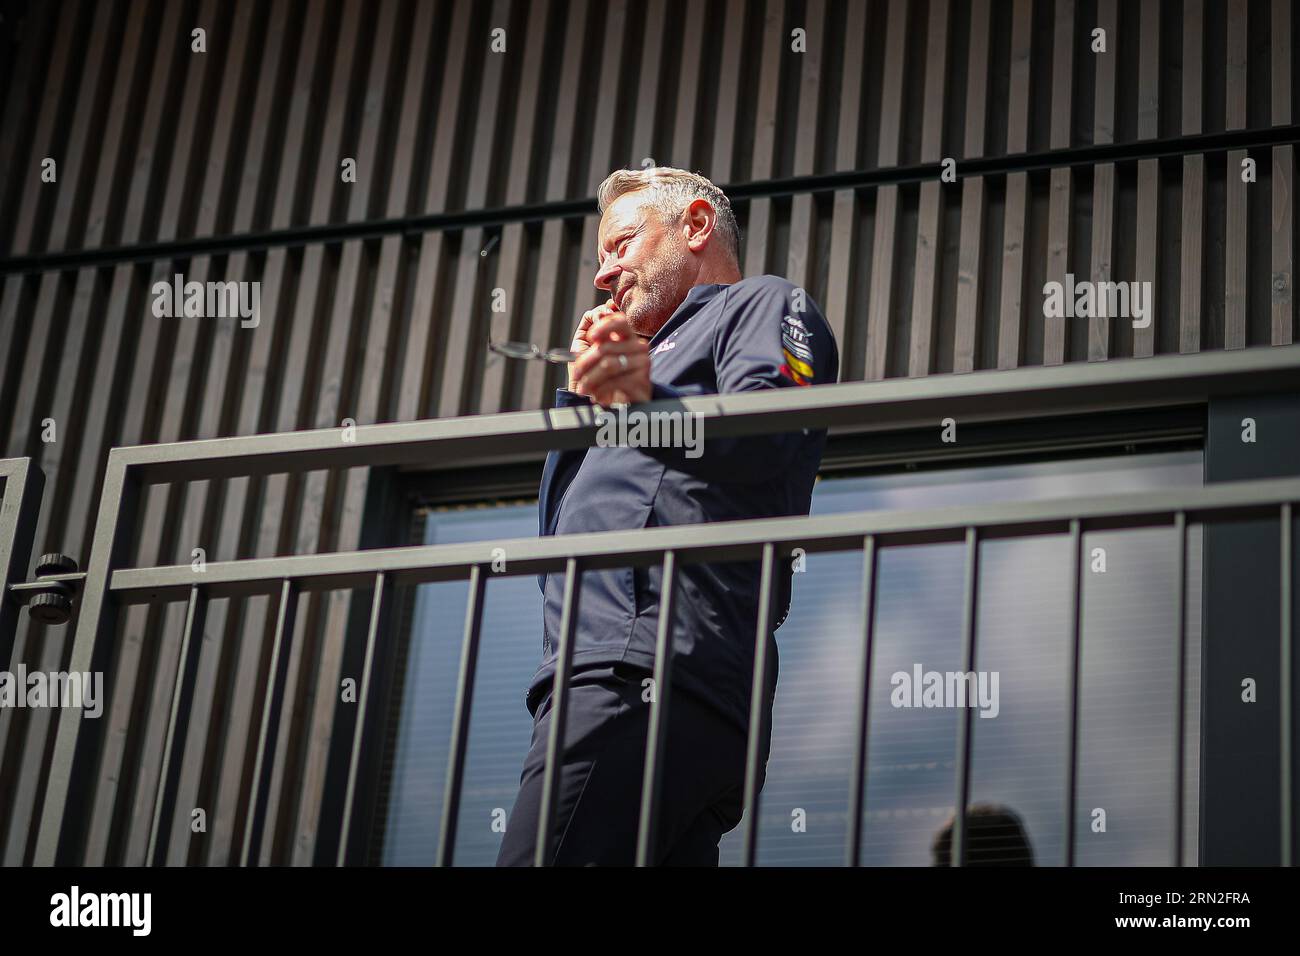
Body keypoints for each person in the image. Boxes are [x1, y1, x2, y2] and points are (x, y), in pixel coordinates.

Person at [496, 167, 839, 866]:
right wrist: (584, 401)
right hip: (621, 674)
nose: (604, 275)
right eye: (601, 259)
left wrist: (641, 399)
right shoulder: (640, 376)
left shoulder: (762, 305)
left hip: (643, 672)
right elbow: (563, 534)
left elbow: (770, 430)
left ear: (695, 226)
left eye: (621, 245)